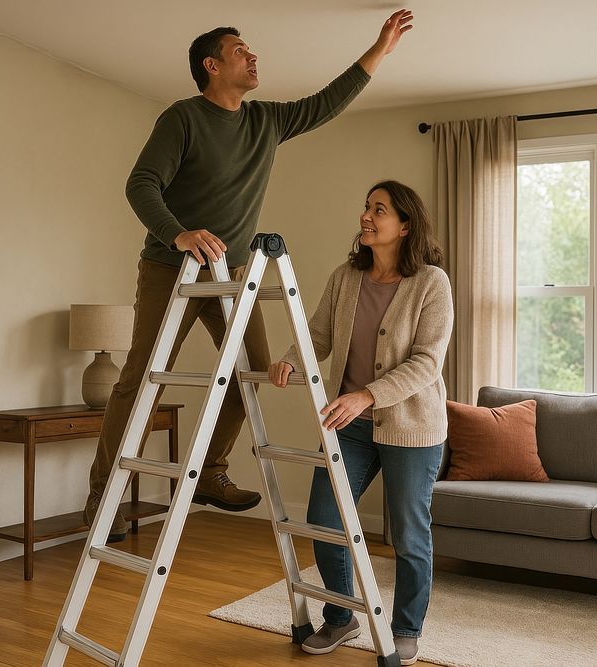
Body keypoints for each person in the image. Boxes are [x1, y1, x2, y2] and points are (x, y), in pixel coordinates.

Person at [85, 11, 416, 542]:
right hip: (170, 267)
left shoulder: (266, 121)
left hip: (233, 272)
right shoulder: (183, 118)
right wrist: (180, 234)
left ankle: (210, 471)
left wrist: (379, 49)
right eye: (241, 50)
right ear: (212, 66)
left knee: (257, 372)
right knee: (143, 376)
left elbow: (325, 103)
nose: (253, 55)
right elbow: (141, 184)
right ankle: (104, 490)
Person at [268, 181, 453, 666]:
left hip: (411, 427)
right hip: (348, 426)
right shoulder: (346, 276)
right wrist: (291, 357)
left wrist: (367, 395)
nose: (366, 216)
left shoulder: (432, 282)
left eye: (379, 209)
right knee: (325, 522)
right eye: (366, 207)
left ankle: (406, 627)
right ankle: (340, 617)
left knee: (410, 534)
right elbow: (319, 334)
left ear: (405, 225)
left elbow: (426, 363)